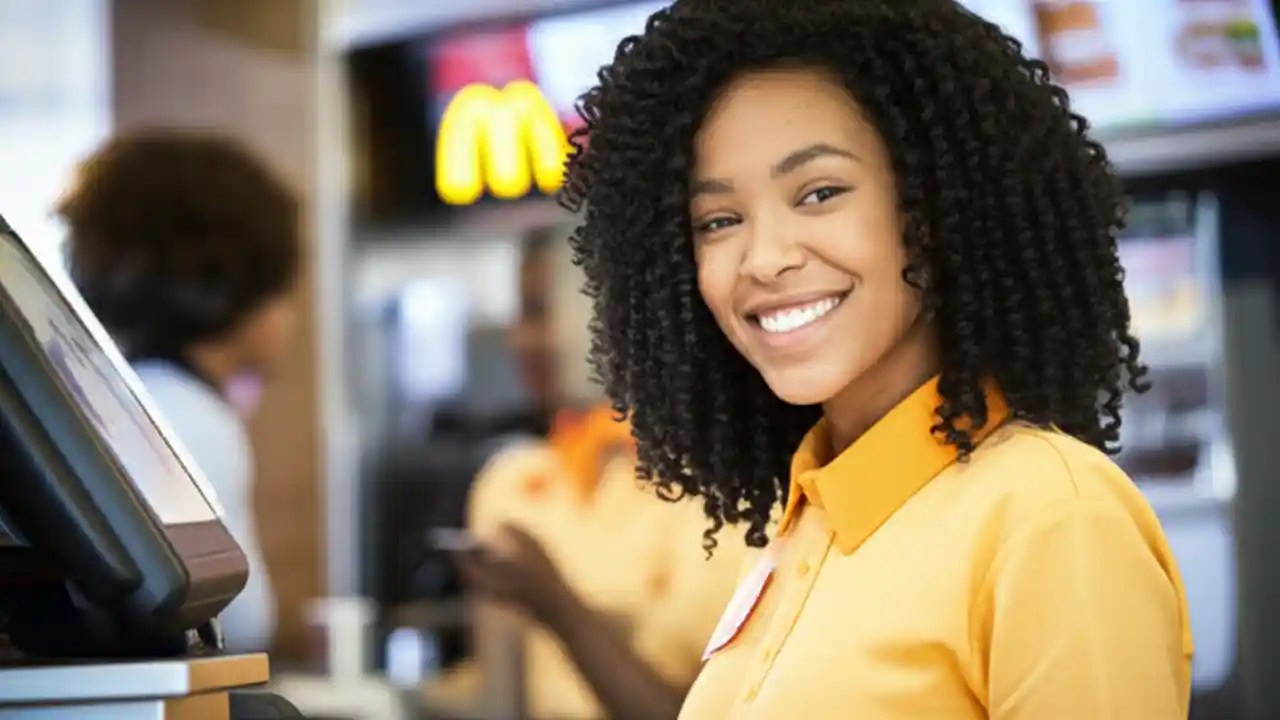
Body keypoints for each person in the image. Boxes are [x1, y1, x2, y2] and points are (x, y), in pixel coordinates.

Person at [558, 1, 1194, 718]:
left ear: (933, 214)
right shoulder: (807, 526)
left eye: (820, 193)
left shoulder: (1053, 518)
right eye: (720, 221)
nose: (764, 259)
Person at [451, 230, 746, 720]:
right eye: (520, 314)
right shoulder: (509, 481)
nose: (520, 340)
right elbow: (499, 692)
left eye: (541, 311)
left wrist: (557, 603)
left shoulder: (716, 494)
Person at [58, 131, 300, 653]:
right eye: (282, 286)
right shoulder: (189, 421)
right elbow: (232, 626)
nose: (292, 316)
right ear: (232, 284)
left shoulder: (130, 401)